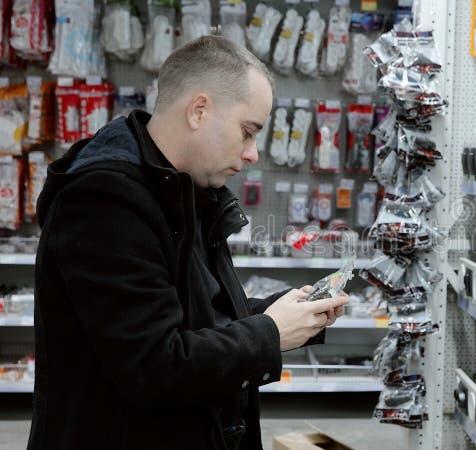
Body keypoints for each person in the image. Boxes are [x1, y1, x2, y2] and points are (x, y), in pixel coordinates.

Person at [28, 35, 348, 450]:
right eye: (247, 132)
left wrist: (286, 314)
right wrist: (269, 333)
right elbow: (154, 365)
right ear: (199, 110)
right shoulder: (105, 200)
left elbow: (195, 315)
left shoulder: (180, 189)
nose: (253, 154)